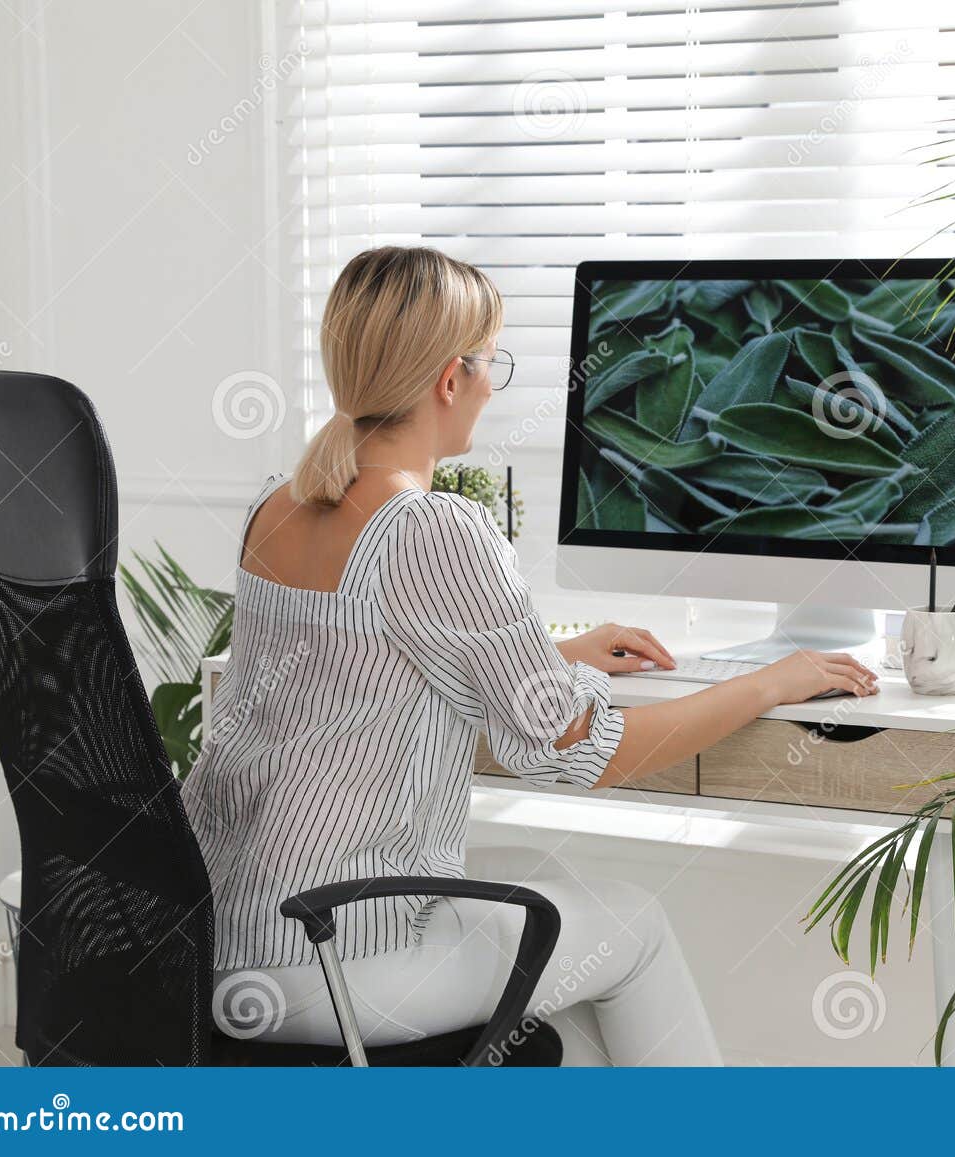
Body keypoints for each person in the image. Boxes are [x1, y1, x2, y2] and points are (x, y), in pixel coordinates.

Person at [181, 246, 879, 1066]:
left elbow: (367, 652)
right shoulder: (430, 526)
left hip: (223, 938)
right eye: (492, 364)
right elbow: (587, 750)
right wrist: (771, 683)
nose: (491, 385)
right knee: (636, 931)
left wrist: (550, 653)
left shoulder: (279, 504)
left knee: (574, 963)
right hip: (332, 965)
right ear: (451, 377)